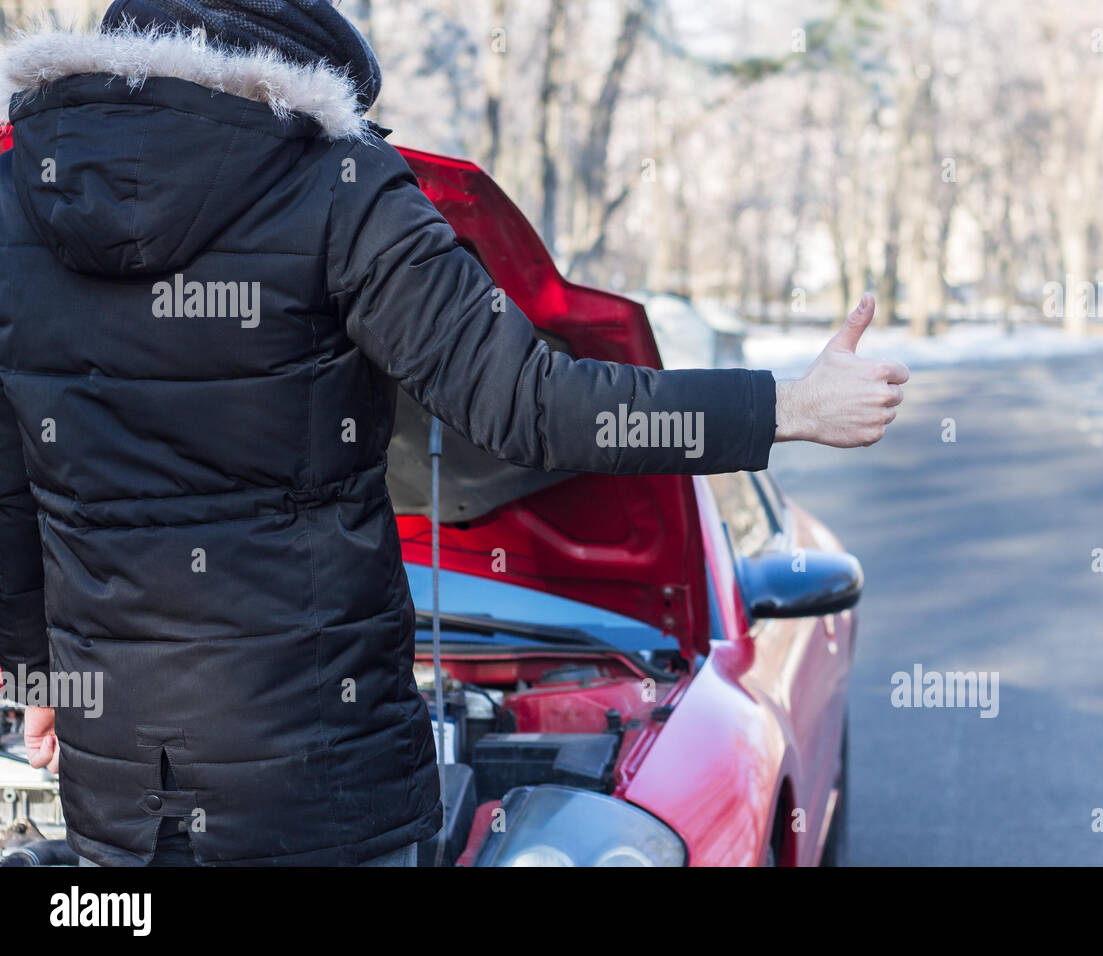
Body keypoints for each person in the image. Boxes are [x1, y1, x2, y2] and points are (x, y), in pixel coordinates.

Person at [0, 0, 907, 866]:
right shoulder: (336, 186)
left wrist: (41, 677)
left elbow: (12, 484)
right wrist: (788, 406)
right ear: (297, 78)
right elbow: (531, 403)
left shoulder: (16, 200)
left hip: (121, 789)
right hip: (321, 788)